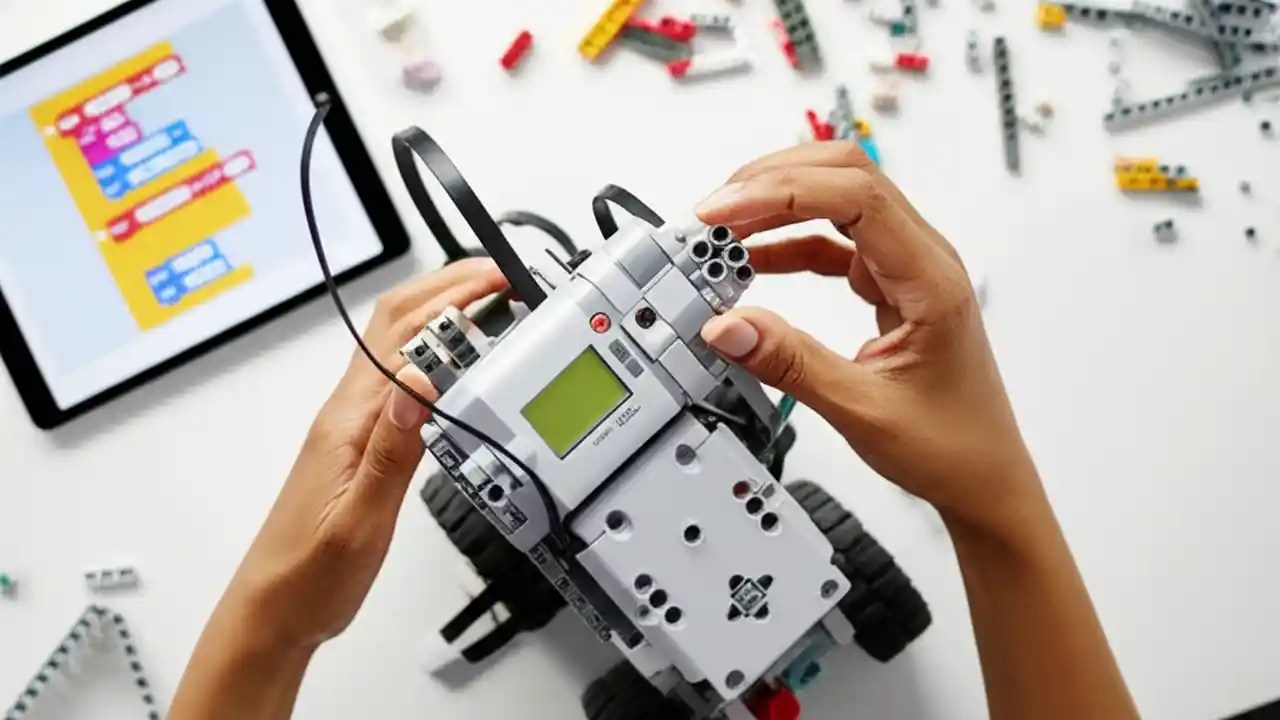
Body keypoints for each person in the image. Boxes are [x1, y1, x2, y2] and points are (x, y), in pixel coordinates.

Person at [170, 143, 1138, 719]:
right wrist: (995, 503)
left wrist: (271, 623)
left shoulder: (575, 346)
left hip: (679, 480)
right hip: (616, 538)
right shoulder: (497, 416)